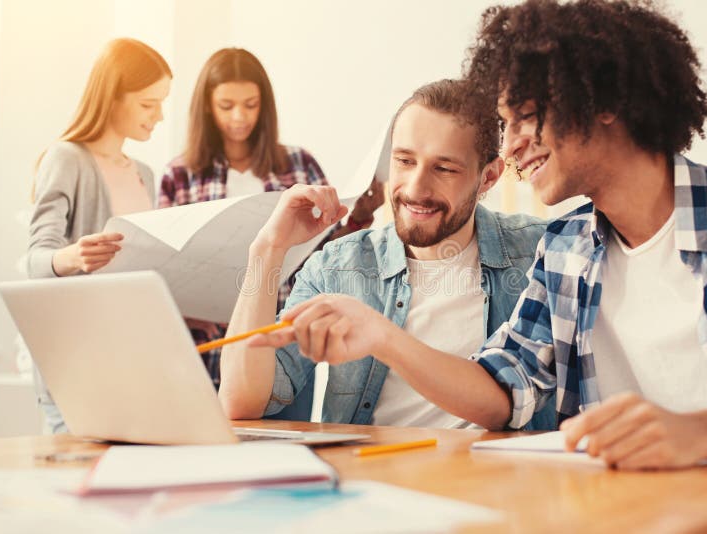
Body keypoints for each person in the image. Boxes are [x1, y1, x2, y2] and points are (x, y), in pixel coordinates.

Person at [253, 0, 707, 469]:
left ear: (604, 103)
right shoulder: (567, 249)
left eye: (525, 118)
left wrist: (694, 433)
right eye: (504, 127)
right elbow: (503, 389)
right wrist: (382, 337)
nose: (509, 149)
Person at [219, 79, 554, 430]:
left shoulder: (538, 253)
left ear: (487, 178)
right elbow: (241, 402)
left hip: (491, 481)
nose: (415, 188)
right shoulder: (339, 266)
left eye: (444, 169)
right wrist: (267, 250)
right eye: (405, 161)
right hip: (373, 479)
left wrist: (382, 336)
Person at [159, 48, 383, 387]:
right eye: (226, 106)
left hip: (283, 341)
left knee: (285, 437)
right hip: (202, 348)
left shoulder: (297, 165)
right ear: (206, 105)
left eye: (251, 105)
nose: (239, 117)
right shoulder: (180, 174)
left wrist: (357, 220)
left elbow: (324, 254)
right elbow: (163, 265)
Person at [28, 38, 172, 433]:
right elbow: (36, 259)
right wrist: (73, 256)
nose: (158, 116)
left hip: (133, 358)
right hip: (78, 364)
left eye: (162, 102)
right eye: (148, 104)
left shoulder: (144, 173)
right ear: (112, 97)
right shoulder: (66, 158)